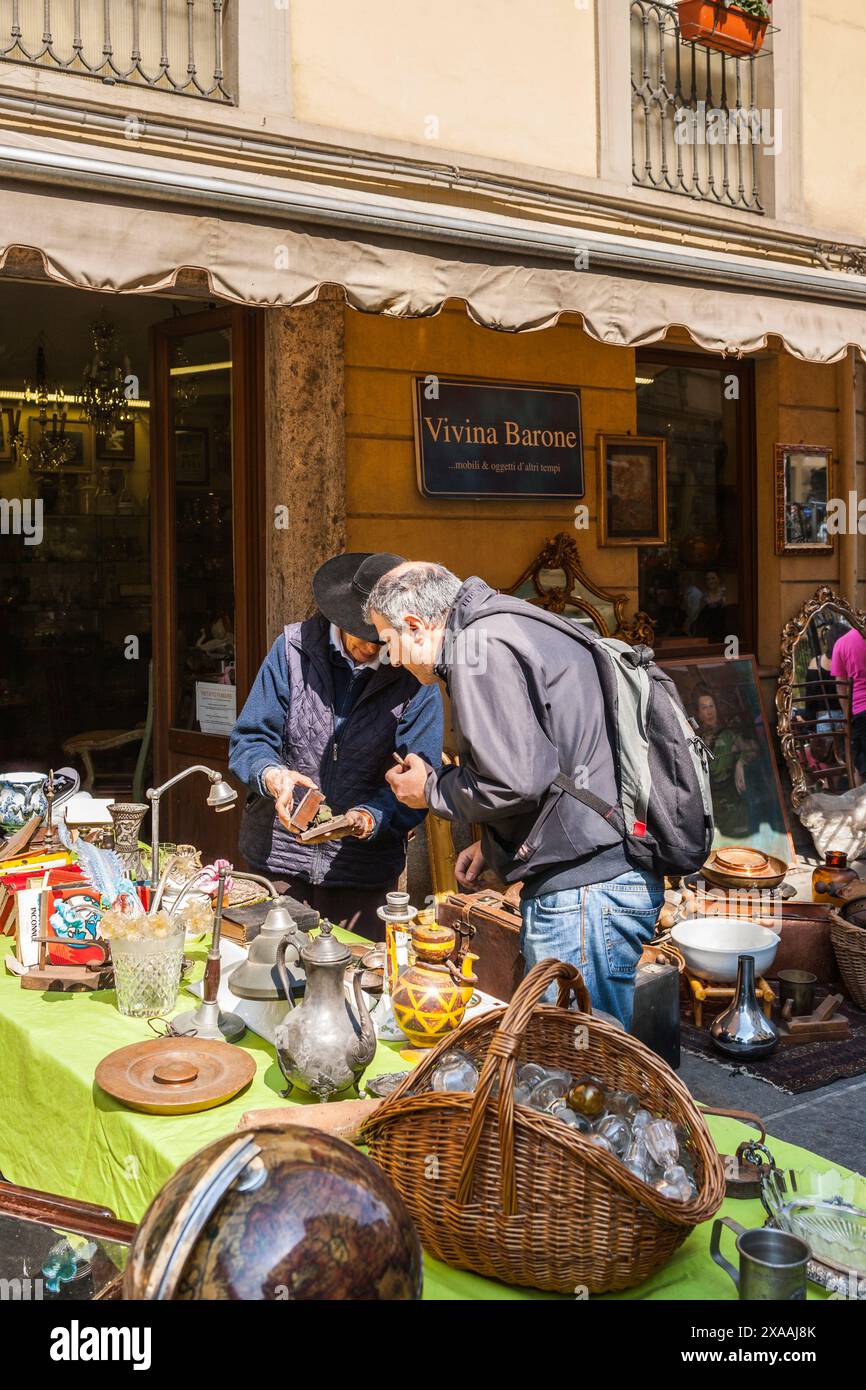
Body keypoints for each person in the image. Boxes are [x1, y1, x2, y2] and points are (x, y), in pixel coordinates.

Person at [366, 561, 665, 1028]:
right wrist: (494, 846)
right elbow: (547, 763)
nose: (395, 660)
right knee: (587, 1063)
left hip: (584, 891)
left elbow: (513, 781)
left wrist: (428, 789)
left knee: (576, 1065)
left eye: (389, 644)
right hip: (599, 877)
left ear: (414, 626)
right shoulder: (508, 621)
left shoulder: (478, 646)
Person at [228, 552, 444, 938]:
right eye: (366, 636)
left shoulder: (413, 675)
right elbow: (249, 740)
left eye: (384, 642)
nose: (375, 649)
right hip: (277, 863)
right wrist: (273, 775)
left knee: (356, 987)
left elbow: (421, 776)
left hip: (362, 875)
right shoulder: (292, 650)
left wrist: (370, 816)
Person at [831, 622, 866, 784]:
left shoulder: (842, 643)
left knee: (861, 766)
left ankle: (861, 807)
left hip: (860, 711)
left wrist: (847, 717)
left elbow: (841, 686)